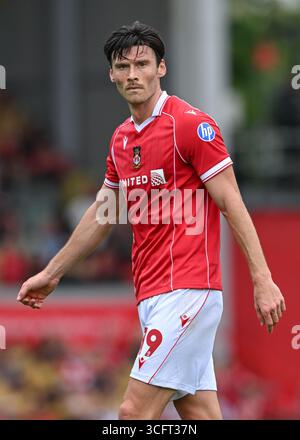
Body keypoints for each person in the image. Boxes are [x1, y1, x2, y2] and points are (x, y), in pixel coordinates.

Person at [17, 21, 286, 420]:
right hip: (151, 294)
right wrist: (52, 273)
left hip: (188, 291)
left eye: (142, 64)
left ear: (161, 68)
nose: (132, 74)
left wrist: (262, 280)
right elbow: (103, 213)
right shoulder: (121, 139)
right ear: (111, 74)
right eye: (122, 67)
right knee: (201, 415)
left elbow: (232, 203)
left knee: (132, 414)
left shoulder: (191, 125)